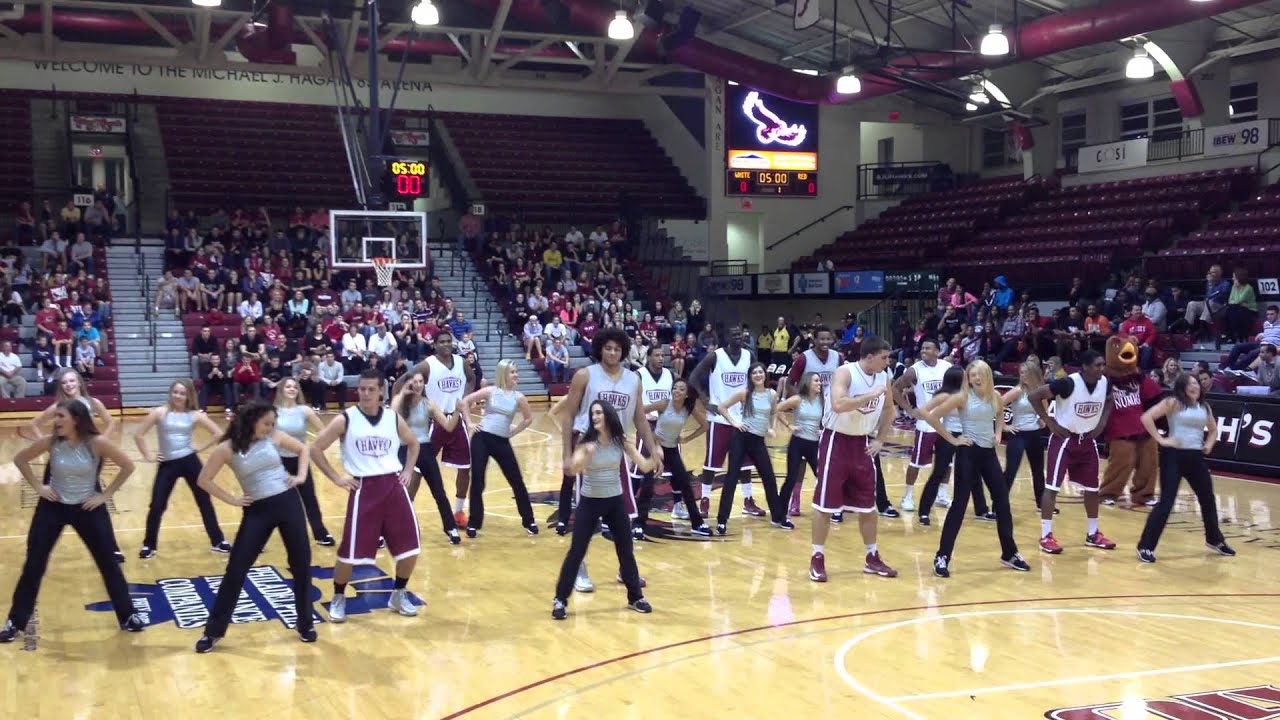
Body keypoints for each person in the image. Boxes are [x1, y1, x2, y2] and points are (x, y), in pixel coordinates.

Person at [2, 400, 144, 642]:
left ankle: (128, 615)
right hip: (53, 507)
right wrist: (39, 486)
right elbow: (20, 460)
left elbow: (127, 466)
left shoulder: (96, 443)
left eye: (60, 416)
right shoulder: (51, 442)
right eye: (55, 416)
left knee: (108, 563)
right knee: (34, 564)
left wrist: (105, 495)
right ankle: (15, 621)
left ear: (76, 420)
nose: (56, 421)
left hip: (87, 507)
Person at [191, 402, 317, 652]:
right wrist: (233, 499)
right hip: (257, 511)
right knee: (236, 569)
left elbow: (304, 449)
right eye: (267, 423)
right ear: (251, 421)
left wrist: (301, 477)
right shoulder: (226, 449)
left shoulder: (274, 436)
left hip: (288, 502)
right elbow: (203, 480)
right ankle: (213, 631)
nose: (271, 428)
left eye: (273, 423)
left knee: (301, 563)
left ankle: (305, 623)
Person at [309, 369, 422, 622]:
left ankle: (399, 593)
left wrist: (407, 471)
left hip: (393, 486)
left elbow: (414, 443)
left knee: (411, 548)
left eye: (371, 389)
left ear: (381, 391)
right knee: (350, 552)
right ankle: (338, 596)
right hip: (364, 489)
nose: (366, 393)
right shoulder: (346, 419)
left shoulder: (393, 418)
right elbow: (316, 448)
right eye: (362, 389)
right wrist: (336, 477)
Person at [553, 327, 660, 593]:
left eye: (617, 349)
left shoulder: (633, 379)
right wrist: (567, 453)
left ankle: (626, 570)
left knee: (626, 514)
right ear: (600, 348)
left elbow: (639, 419)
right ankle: (580, 570)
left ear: (624, 351)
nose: (612, 353)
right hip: (588, 448)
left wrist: (653, 448)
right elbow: (567, 415)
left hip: (618, 448)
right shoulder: (585, 376)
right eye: (608, 348)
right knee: (586, 516)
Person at [915, 361, 1027, 577]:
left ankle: (1009, 553)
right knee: (959, 505)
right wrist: (952, 439)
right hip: (968, 452)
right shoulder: (962, 396)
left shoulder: (994, 396)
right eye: (972, 374)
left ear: (987, 375)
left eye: (980, 373)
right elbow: (931, 415)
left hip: (989, 454)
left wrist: (998, 435)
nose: (976, 378)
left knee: (1002, 502)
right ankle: (942, 556)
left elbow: (1001, 414)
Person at [552, 400, 653, 620]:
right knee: (576, 552)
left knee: (626, 550)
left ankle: (635, 597)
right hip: (589, 502)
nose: (595, 417)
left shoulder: (621, 442)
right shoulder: (586, 443)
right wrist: (583, 457)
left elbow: (644, 466)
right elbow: (574, 469)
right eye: (593, 414)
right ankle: (560, 599)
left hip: (615, 501)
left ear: (608, 415)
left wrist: (656, 456)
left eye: (599, 413)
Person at [808, 337, 899, 582]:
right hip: (835, 441)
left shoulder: (883, 376)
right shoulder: (845, 372)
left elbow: (890, 409)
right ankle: (817, 557)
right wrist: (871, 394)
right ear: (869, 357)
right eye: (884, 357)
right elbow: (838, 404)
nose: (887, 361)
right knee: (825, 506)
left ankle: (872, 557)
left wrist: (880, 438)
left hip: (862, 443)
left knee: (868, 507)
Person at [23, 368, 124, 562]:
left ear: (79, 382)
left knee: (97, 501)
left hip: (88, 458)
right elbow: (34, 424)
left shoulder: (93, 403)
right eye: (64, 383)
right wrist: (48, 447)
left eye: (71, 381)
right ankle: (33, 548)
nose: (68, 385)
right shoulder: (59, 406)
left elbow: (111, 422)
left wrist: (102, 442)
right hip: (61, 460)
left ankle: (112, 548)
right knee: (45, 503)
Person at [1135, 375, 1235, 563]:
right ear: (1182, 386)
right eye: (1190, 384)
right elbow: (1146, 417)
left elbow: (1213, 429)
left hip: (1195, 457)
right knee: (1166, 502)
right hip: (1173, 456)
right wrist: (1161, 439)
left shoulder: (1204, 407)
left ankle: (1215, 540)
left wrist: (1209, 445)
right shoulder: (1173, 402)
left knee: (1208, 499)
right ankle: (1146, 547)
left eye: (1196, 383)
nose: (1194, 386)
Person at [1028, 350, 1118, 554]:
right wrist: (1049, 423)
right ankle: (1045, 535)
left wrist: (1102, 423)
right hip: (1064, 440)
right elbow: (1034, 396)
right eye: (1097, 365)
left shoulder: (1105, 383)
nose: (1102, 368)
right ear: (1085, 367)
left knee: (1093, 489)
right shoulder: (1068, 383)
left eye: (1103, 364)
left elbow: (1111, 399)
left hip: (1087, 441)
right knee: (1052, 487)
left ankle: (1093, 534)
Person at [133, 379, 233, 559]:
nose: (178, 396)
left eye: (182, 393)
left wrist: (199, 448)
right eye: (175, 392)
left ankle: (218, 541)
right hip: (167, 464)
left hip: (190, 461)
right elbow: (139, 434)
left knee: (204, 501)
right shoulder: (160, 412)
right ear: (171, 393)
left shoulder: (195, 415)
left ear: (189, 396)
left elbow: (219, 433)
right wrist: (148, 456)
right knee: (157, 505)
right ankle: (149, 545)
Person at [393, 329, 477, 529]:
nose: (446, 344)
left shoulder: (461, 362)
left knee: (465, 468)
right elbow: (399, 384)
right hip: (434, 420)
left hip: (456, 420)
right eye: (442, 341)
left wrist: (464, 399)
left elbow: (472, 379)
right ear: (435, 344)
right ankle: (405, 512)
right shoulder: (427, 365)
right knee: (418, 469)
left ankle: (458, 511)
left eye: (449, 341)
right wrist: (406, 407)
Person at [689, 325, 763, 519]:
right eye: (734, 334)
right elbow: (694, 377)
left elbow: (758, 381)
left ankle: (748, 501)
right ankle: (704, 501)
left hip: (743, 418)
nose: (738, 337)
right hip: (719, 419)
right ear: (726, 337)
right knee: (712, 464)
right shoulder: (715, 356)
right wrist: (705, 400)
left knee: (745, 464)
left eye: (740, 334)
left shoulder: (749, 356)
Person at [460, 360, 538, 536]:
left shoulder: (519, 397)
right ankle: (474, 523)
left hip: (502, 441)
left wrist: (514, 431)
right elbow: (465, 402)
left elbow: (528, 418)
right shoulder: (490, 391)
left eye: (516, 372)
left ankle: (529, 521)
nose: (516, 375)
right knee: (478, 480)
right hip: (482, 438)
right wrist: (470, 423)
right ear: (503, 374)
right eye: (512, 372)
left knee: (516, 481)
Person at [913, 366, 992, 525]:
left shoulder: (969, 395)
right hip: (948, 436)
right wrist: (947, 435)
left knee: (975, 473)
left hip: (968, 436)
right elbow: (923, 412)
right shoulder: (945, 396)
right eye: (965, 376)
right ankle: (924, 512)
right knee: (939, 472)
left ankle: (981, 509)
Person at [390, 371, 462, 544]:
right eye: (414, 382)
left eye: (421, 381)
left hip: (424, 449)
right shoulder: (399, 402)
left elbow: (448, 426)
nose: (418, 384)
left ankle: (451, 528)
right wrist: (403, 393)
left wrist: (458, 411)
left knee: (439, 491)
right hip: (404, 449)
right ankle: (391, 530)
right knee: (399, 492)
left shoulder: (429, 404)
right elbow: (390, 415)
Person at [717, 362, 785, 533]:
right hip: (741, 439)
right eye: (754, 373)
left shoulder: (772, 394)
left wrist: (771, 427)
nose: (758, 375)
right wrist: (735, 423)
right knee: (732, 478)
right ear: (750, 376)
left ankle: (778, 517)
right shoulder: (745, 393)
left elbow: (774, 412)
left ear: (765, 375)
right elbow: (722, 407)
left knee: (769, 478)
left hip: (758, 441)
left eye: (760, 372)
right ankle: (722, 520)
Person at [782, 325, 841, 515]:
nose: (825, 342)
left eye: (828, 339)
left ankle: (830, 500)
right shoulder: (803, 358)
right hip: (809, 413)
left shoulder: (838, 358)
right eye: (821, 339)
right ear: (814, 339)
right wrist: (803, 401)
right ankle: (795, 500)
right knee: (799, 463)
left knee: (827, 462)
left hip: (832, 413)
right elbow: (790, 383)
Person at [272, 377, 335, 545]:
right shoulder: (272, 411)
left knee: (309, 498)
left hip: (300, 460)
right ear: (281, 390)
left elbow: (323, 431)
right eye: (288, 386)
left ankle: (320, 534)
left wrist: (313, 447)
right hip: (278, 462)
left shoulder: (304, 410)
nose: (292, 389)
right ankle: (260, 538)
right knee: (274, 501)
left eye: (294, 387)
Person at [891, 339, 952, 513]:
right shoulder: (914, 370)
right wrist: (909, 410)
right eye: (923, 348)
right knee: (916, 463)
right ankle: (907, 496)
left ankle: (942, 494)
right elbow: (895, 388)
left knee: (947, 462)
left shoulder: (947, 367)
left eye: (928, 348)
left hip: (945, 422)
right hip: (925, 424)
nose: (923, 350)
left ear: (938, 351)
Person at [650, 378, 712, 532]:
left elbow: (705, 426)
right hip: (654, 447)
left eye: (681, 389)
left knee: (685, 484)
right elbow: (639, 414)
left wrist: (686, 439)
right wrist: (655, 442)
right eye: (675, 388)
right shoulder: (664, 404)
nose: (677, 391)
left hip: (672, 448)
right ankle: (636, 522)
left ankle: (697, 524)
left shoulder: (688, 408)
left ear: (686, 394)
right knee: (645, 485)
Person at [630, 345, 673, 538]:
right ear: (648, 357)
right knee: (643, 474)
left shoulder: (669, 375)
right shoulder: (638, 375)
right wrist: (656, 406)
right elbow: (635, 408)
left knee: (676, 471)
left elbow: (672, 403)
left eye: (662, 355)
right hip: (647, 427)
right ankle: (634, 515)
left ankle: (682, 507)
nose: (661, 358)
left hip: (666, 427)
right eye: (656, 355)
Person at [1001, 360, 1049, 511]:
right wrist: (1004, 426)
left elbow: (1045, 410)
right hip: (1018, 435)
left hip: (1034, 434)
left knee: (1038, 470)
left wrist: (1042, 420)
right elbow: (997, 404)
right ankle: (998, 505)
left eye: (1026, 373)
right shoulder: (1017, 391)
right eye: (1021, 373)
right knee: (1011, 471)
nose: (1023, 376)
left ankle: (1041, 504)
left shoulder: (1040, 391)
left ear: (1034, 375)